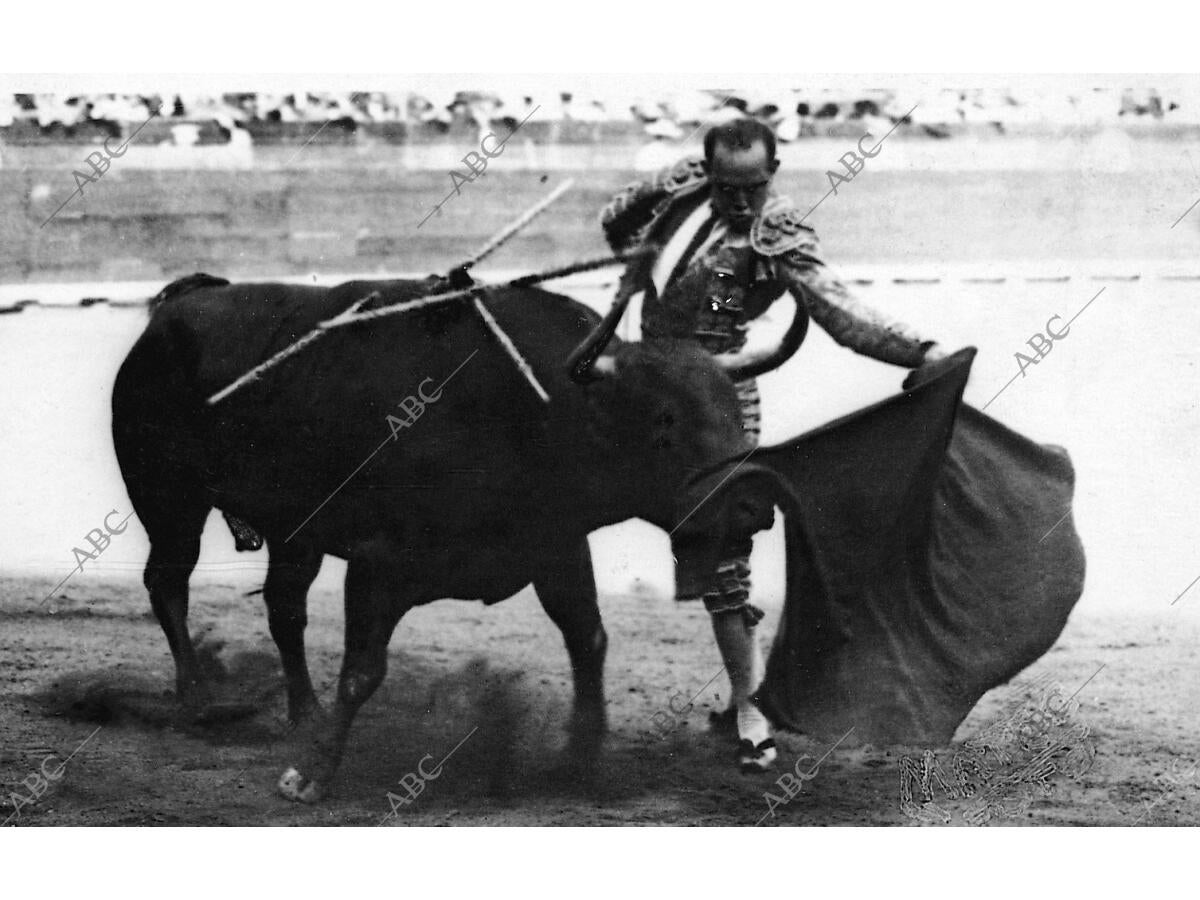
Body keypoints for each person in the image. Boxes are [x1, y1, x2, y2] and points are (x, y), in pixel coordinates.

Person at [600, 117, 946, 772]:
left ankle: (750, 706)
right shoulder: (684, 199)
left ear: (773, 173)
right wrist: (668, 185)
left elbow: (837, 308)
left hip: (714, 400)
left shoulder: (778, 231)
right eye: (726, 187)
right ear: (708, 173)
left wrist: (919, 349)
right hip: (643, 382)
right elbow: (614, 227)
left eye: (752, 187)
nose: (739, 201)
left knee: (724, 546)